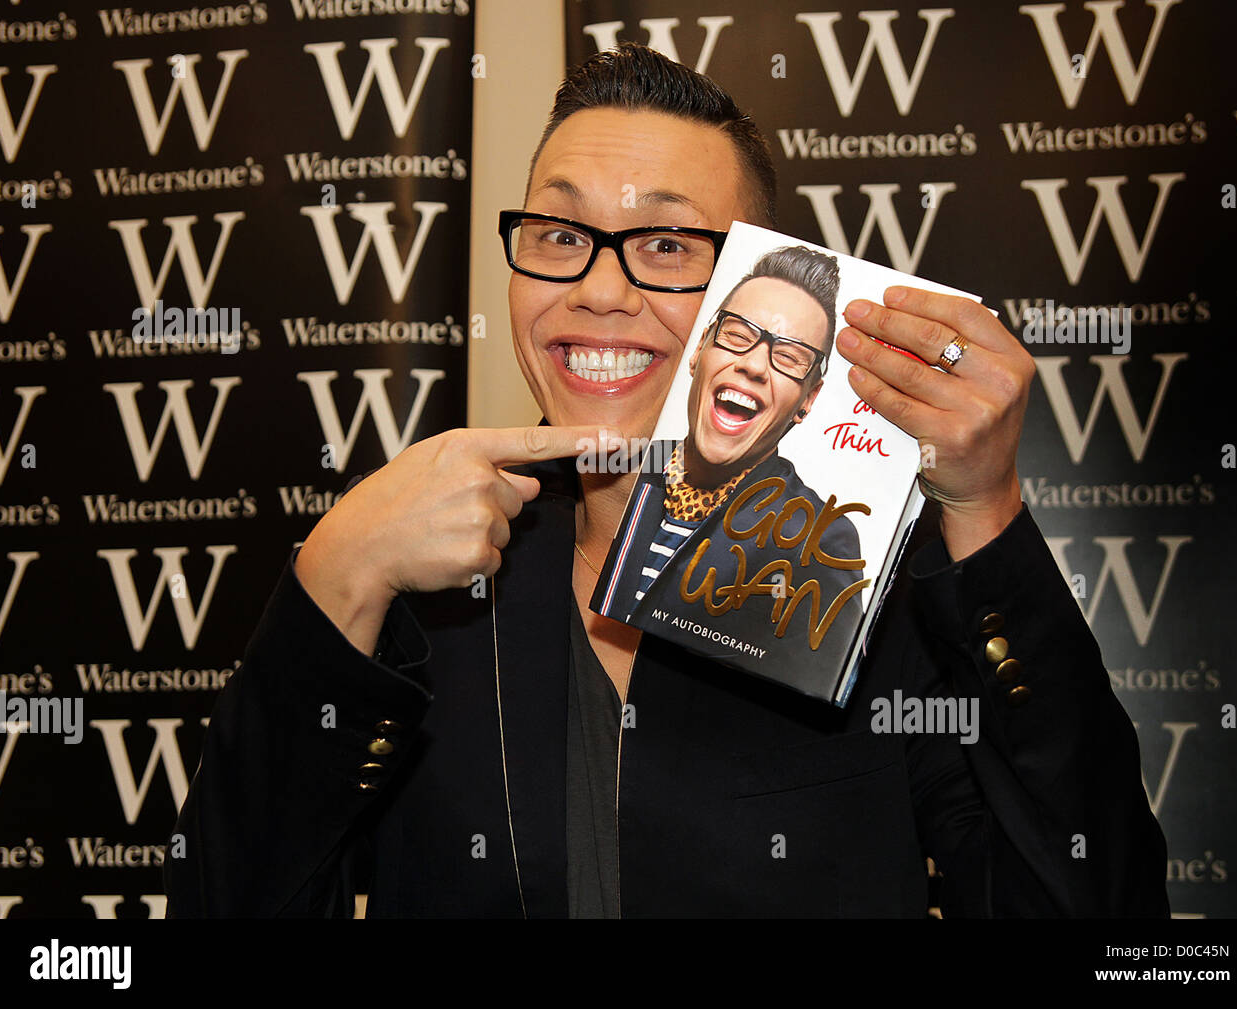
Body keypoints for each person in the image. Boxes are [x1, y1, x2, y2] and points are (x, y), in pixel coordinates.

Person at [164, 43, 1168, 917]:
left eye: (667, 244)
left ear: (757, 292)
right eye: (559, 235)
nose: (598, 290)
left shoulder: (861, 591)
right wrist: (333, 578)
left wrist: (985, 513)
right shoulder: (414, 584)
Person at [593, 244, 869, 699]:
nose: (755, 364)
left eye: (790, 358)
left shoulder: (817, 538)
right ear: (701, 347)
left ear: (808, 400)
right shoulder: (621, 473)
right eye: (738, 335)